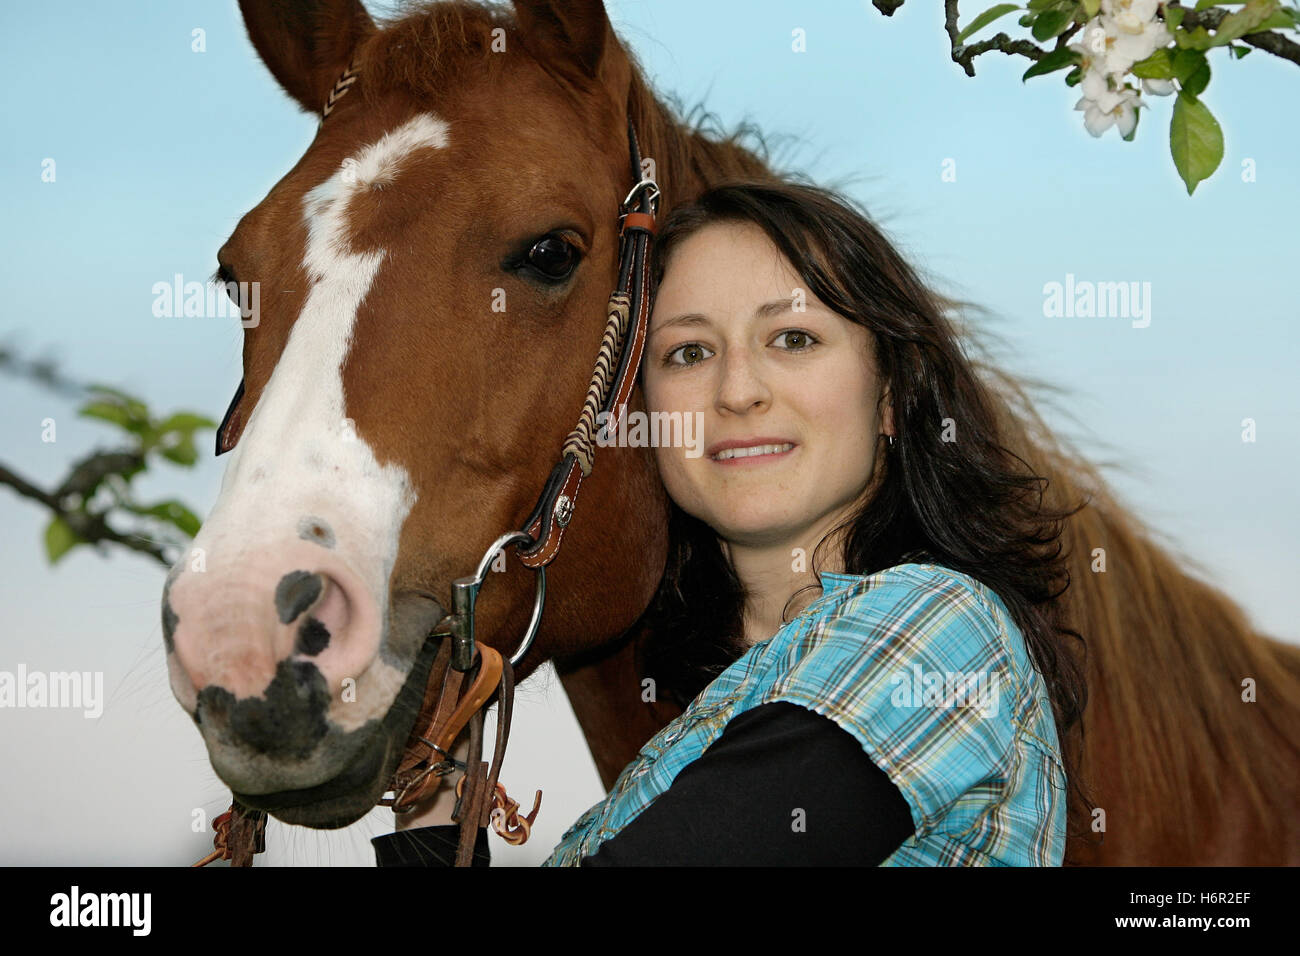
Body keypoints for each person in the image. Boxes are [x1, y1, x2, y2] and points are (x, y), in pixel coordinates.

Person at [372, 179, 1088, 867]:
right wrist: (437, 802)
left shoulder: (942, 632)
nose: (738, 390)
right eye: (689, 353)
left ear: (892, 396)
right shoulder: (698, 730)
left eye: (794, 339)